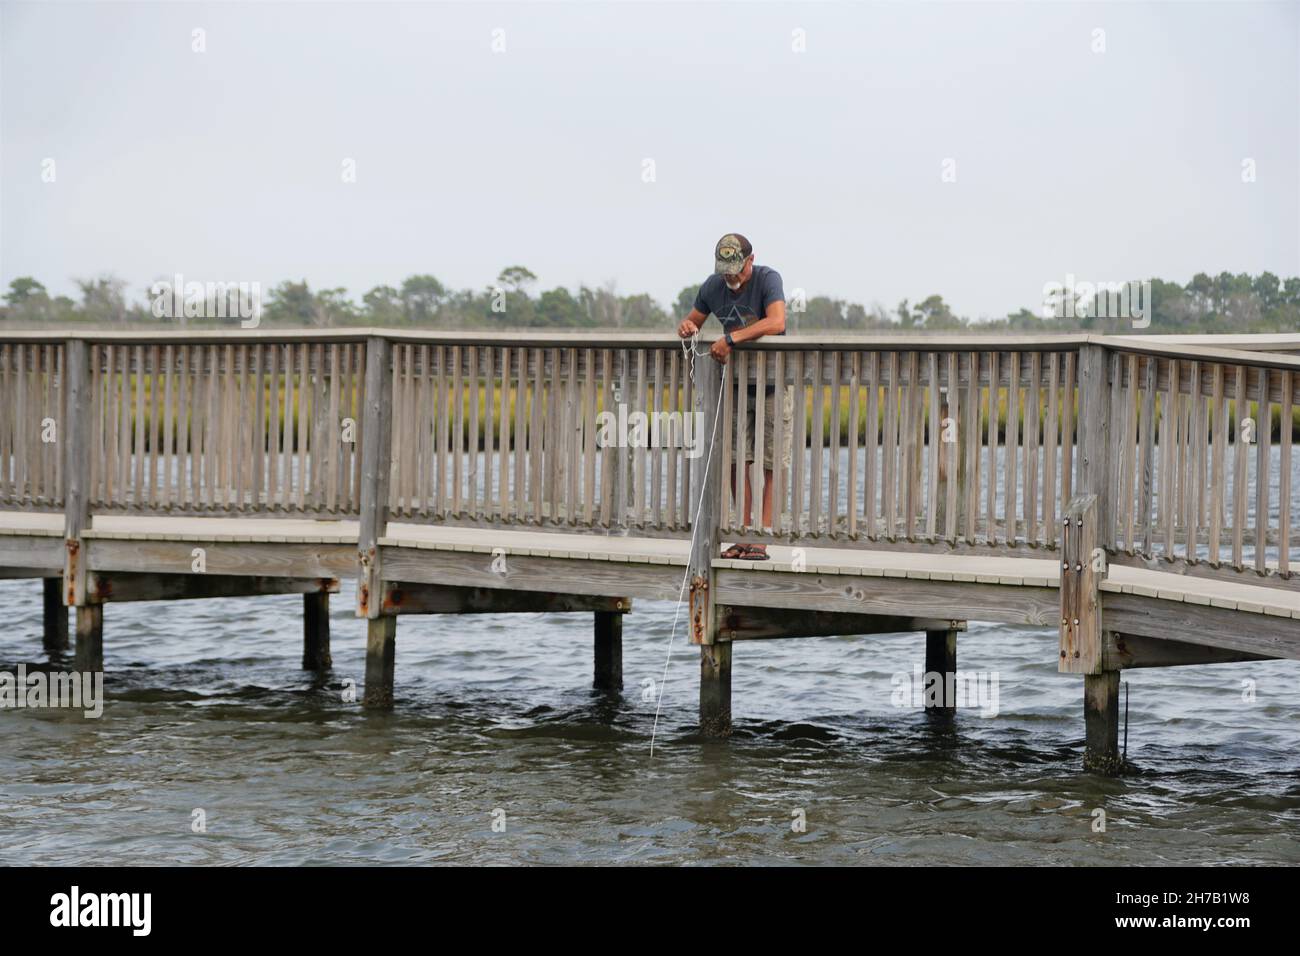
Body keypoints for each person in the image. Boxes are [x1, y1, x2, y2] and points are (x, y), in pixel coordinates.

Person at [675, 233, 792, 560]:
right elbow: (692, 321)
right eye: (725, 269)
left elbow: (777, 321)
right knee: (735, 458)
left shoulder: (769, 279)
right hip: (738, 385)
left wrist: (731, 338)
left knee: (771, 462)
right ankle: (742, 535)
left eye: (736, 269)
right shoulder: (713, 287)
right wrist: (686, 327)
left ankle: (761, 539)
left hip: (773, 382)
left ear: (750, 261)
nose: (731, 276)